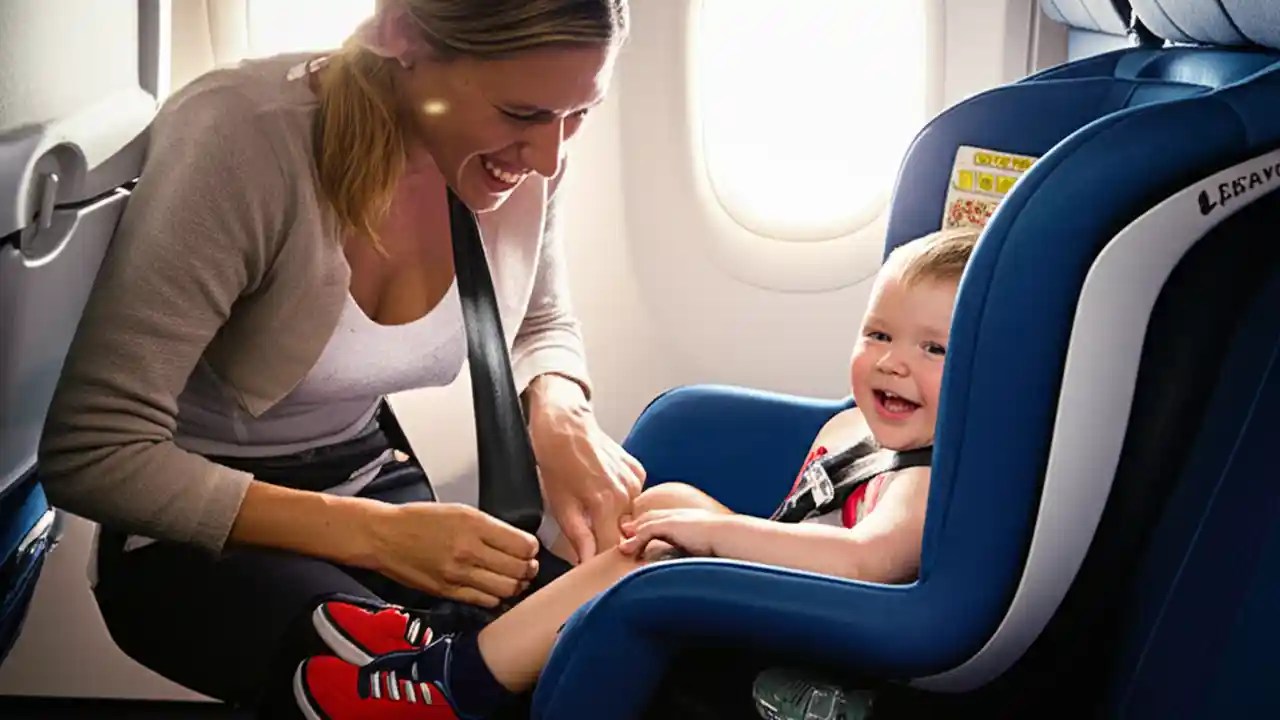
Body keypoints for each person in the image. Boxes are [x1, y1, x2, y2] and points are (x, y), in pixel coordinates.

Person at [37, 0, 639, 714]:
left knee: (599, 652)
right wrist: (377, 538)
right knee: (422, 696)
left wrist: (559, 414)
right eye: (522, 114)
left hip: (367, 477)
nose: (550, 157)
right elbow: (92, 454)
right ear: (404, 38)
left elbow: (541, 319)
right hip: (191, 531)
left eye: (580, 116)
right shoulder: (244, 140)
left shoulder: (526, 156)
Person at [292, 228, 981, 719]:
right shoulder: (857, 427)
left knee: (662, 546)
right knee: (665, 501)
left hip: (824, 642)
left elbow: (865, 564)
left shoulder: (924, 474)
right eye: (878, 335)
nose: (893, 363)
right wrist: (707, 527)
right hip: (795, 605)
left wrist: (717, 540)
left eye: (935, 349)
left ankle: (456, 682)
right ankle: (493, 636)